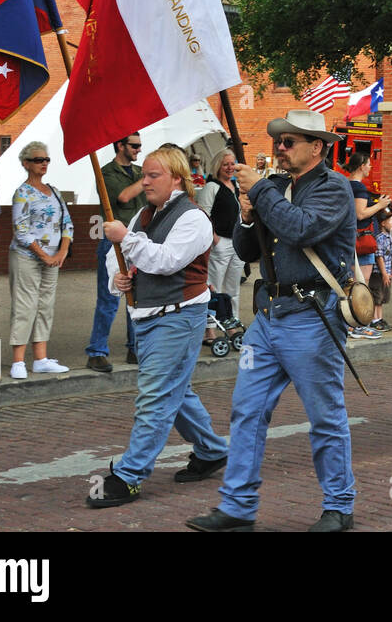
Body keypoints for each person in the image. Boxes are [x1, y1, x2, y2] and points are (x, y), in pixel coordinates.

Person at [187, 109, 358, 532]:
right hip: (269, 316)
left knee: (325, 416)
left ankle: (339, 506)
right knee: (246, 411)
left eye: (290, 142)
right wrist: (247, 213)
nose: (280, 149)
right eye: (279, 142)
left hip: (313, 316)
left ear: (316, 147)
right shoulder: (278, 187)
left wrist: (260, 192)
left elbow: (300, 229)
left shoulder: (333, 188)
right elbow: (247, 250)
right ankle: (238, 507)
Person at [87, 146, 228, 508]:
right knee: (173, 391)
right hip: (148, 317)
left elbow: (166, 261)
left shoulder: (194, 218)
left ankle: (130, 475)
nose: (145, 182)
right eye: (144, 175)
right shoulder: (142, 215)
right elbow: (112, 258)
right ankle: (212, 450)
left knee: (155, 396)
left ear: (176, 178)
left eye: (153, 176)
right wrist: (117, 278)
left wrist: (126, 240)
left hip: (179, 317)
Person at [8, 142, 73, 379]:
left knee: (46, 305)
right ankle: (18, 361)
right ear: (26, 164)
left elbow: (67, 223)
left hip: (53, 258)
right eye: (38, 160)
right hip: (27, 256)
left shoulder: (53, 190)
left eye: (46, 160)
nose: (43, 163)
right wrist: (44, 255)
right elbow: (21, 229)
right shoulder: (22, 193)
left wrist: (61, 252)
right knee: (25, 306)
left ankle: (41, 358)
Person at [87, 134, 146, 371]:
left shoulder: (141, 172)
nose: (139, 150)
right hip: (113, 243)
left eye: (140, 146)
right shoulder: (107, 173)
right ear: (120, 146)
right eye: (134, 146)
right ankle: (96, 351)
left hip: (137, 240)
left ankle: (135, 347)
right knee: (109, 298)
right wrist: (147, 178)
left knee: (138, 298)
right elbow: (123, 197)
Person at [345, 151, 392, 340]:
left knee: (349, 284)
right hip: (363, 242)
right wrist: (380, 205)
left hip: (348, 241)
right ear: (361, 166)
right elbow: (361, 214)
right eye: (369, 164)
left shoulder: (345, 184)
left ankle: (350, 324)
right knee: (360, 286)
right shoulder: (359, 188)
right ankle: (356, 325)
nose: (371, 167)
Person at [196, 151, 243, 315]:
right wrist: (215, 238)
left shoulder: (237, 187)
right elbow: (203, 214)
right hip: (221, 242)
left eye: (232, 164)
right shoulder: (212, 187)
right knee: (214, 285)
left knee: (234, 287)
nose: (230, 168)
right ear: (218, 166)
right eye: (225, 164)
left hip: (237, 243)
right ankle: (210, 325)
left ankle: (232, 321)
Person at [368, 205, 392, 333]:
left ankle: (379, 318)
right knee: (377, 296)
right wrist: (384, 273)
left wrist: (389, 270)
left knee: (382, 298)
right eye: (391, 221)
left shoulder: (389, 237)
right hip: (378, 273)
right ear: (383, 223)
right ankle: (374, 320)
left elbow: (388, 256)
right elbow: (379, 256)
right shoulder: (380, 238)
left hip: (384, 273)